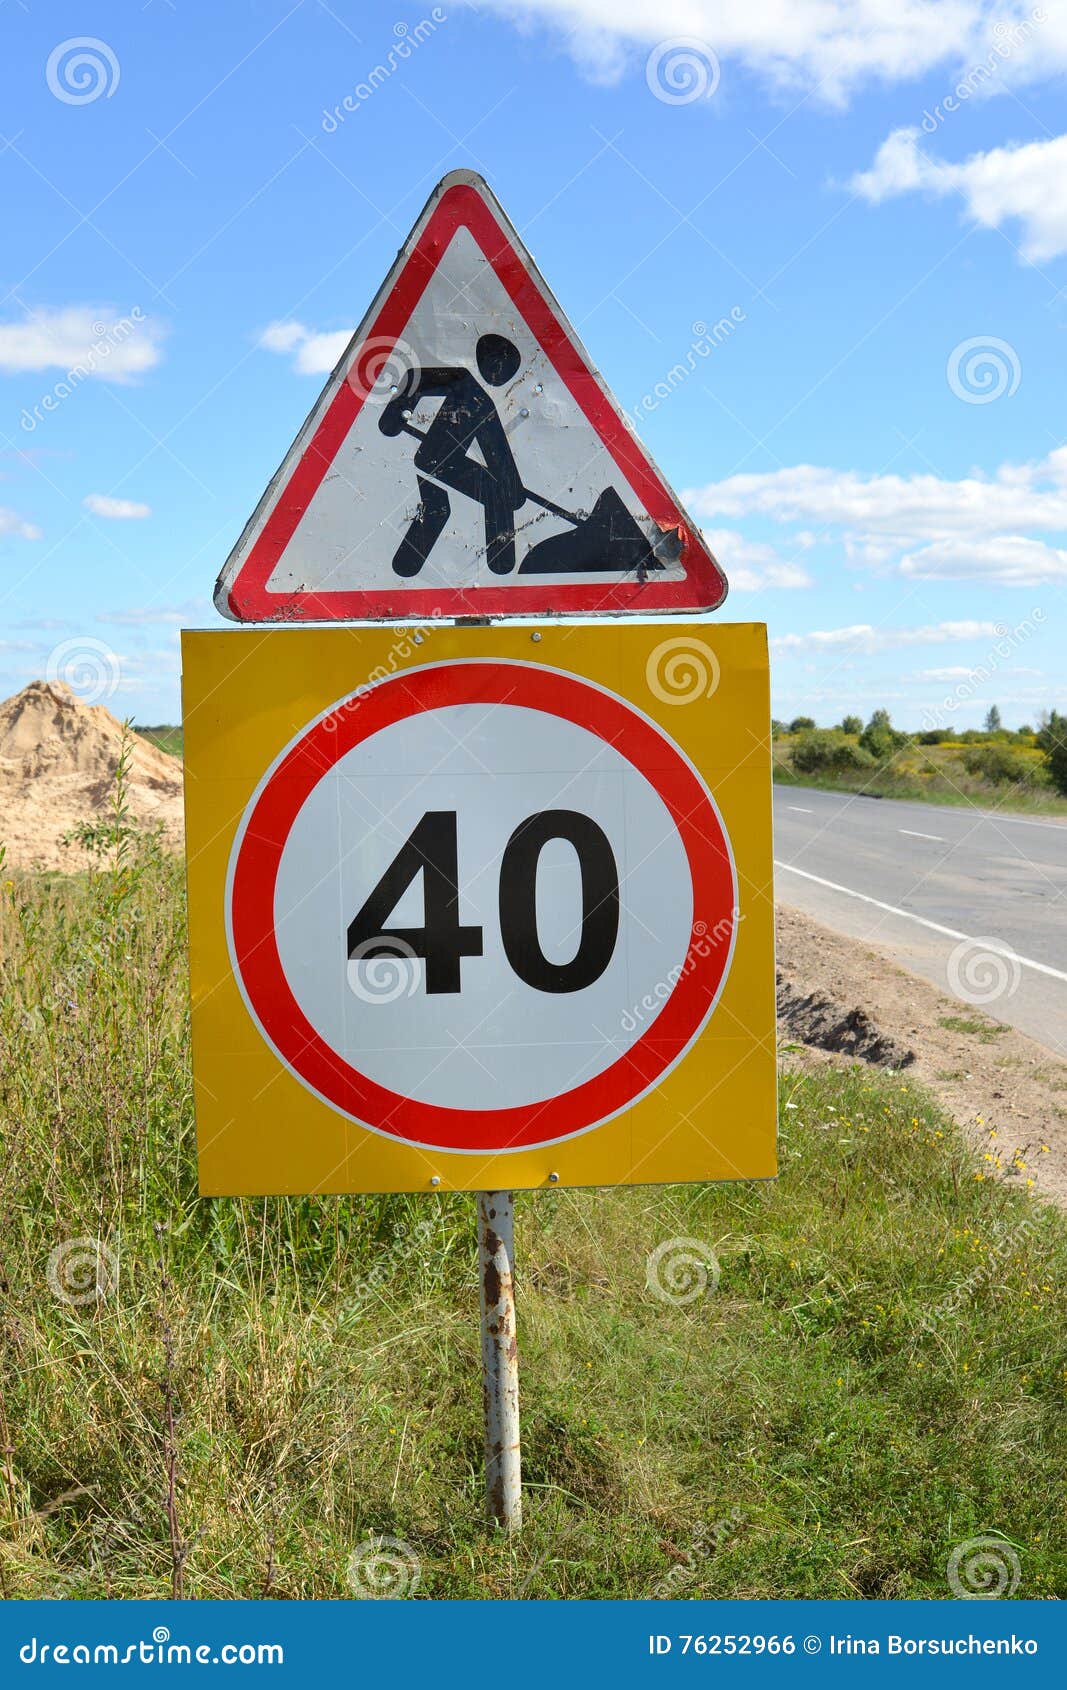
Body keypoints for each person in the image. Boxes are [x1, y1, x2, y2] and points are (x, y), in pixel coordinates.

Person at [379, 333, 525, 577]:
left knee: (448, 506)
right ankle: (500, 562)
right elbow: (415, 378)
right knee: (482, 497)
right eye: (504, 366)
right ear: (491, 362)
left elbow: (497, 451)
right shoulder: (461, 381)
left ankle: (500, 563)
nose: (505, 375)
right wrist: (394, 418)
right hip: (434, 458)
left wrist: (514, 490)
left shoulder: (483, 402)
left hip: (445, 462)